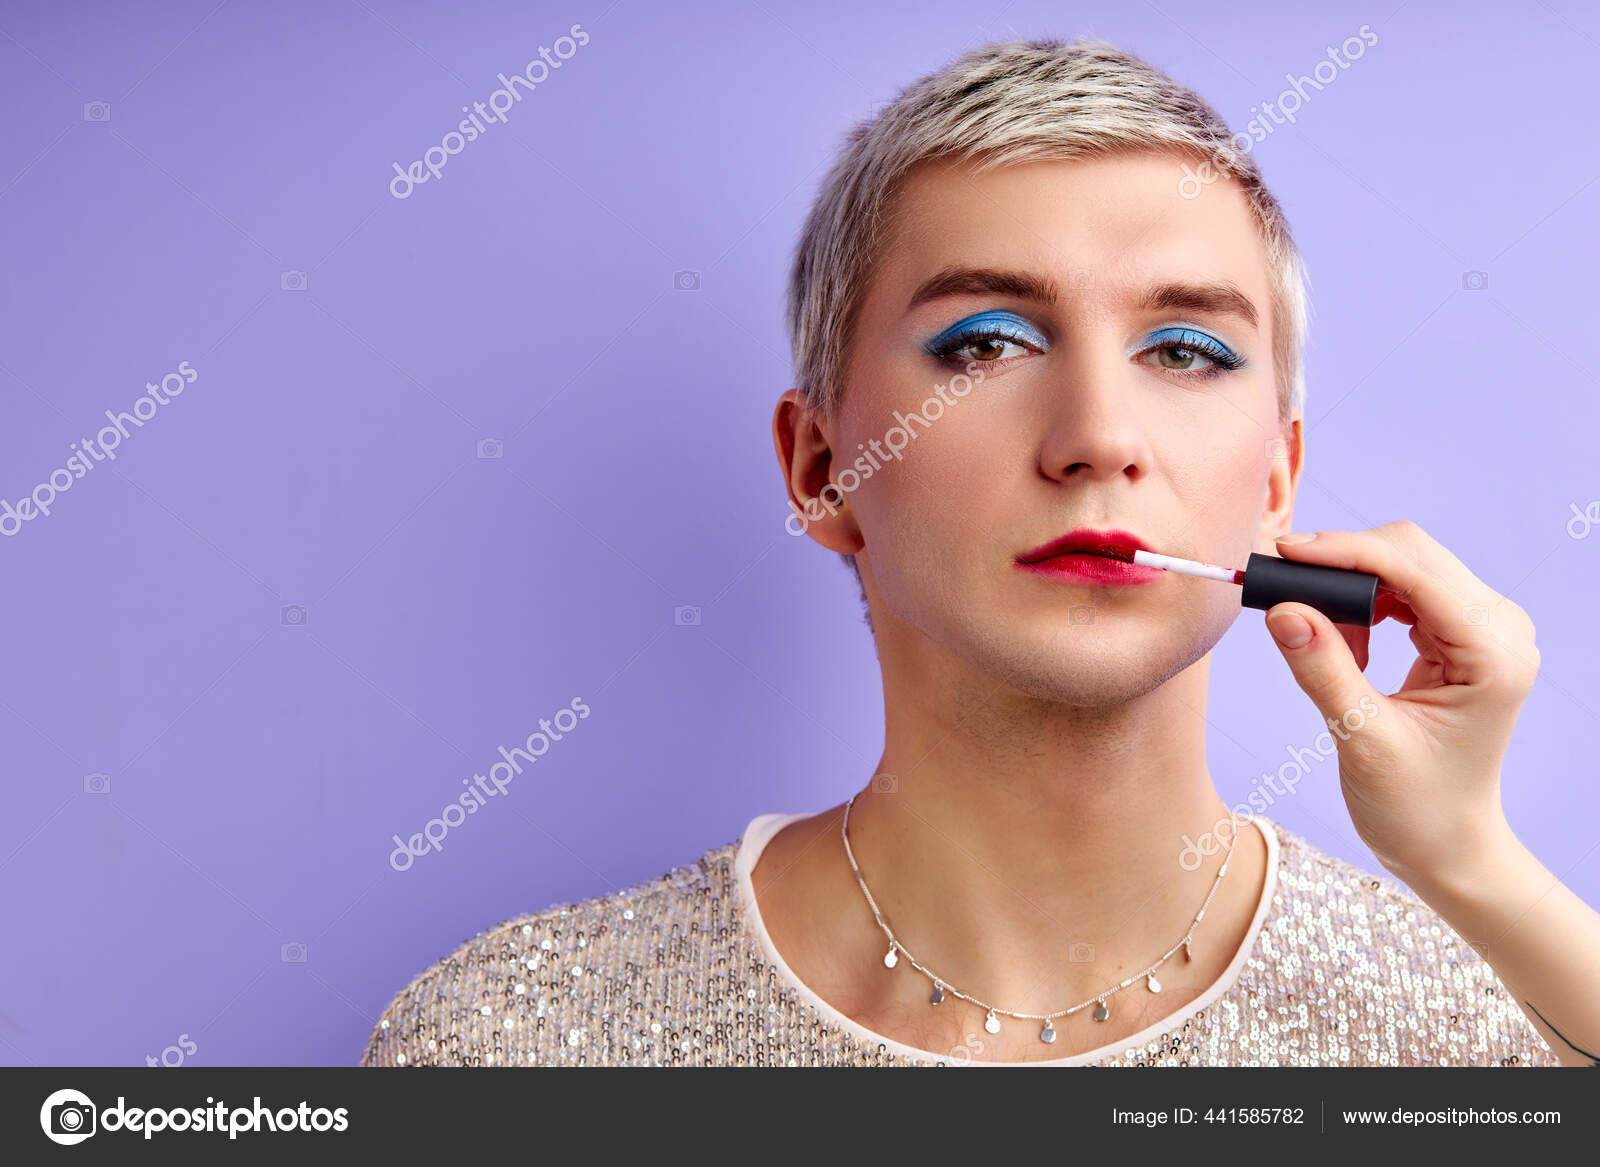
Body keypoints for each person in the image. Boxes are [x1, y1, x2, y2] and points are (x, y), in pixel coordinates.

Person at [361, 37, 1599, 1067]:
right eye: (988, 343)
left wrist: (1468, 862)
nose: (1098, 438)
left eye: (1184, 350)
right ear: (821, 469)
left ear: (1275, 483)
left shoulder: (1492, 1024)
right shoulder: (513, 1043)